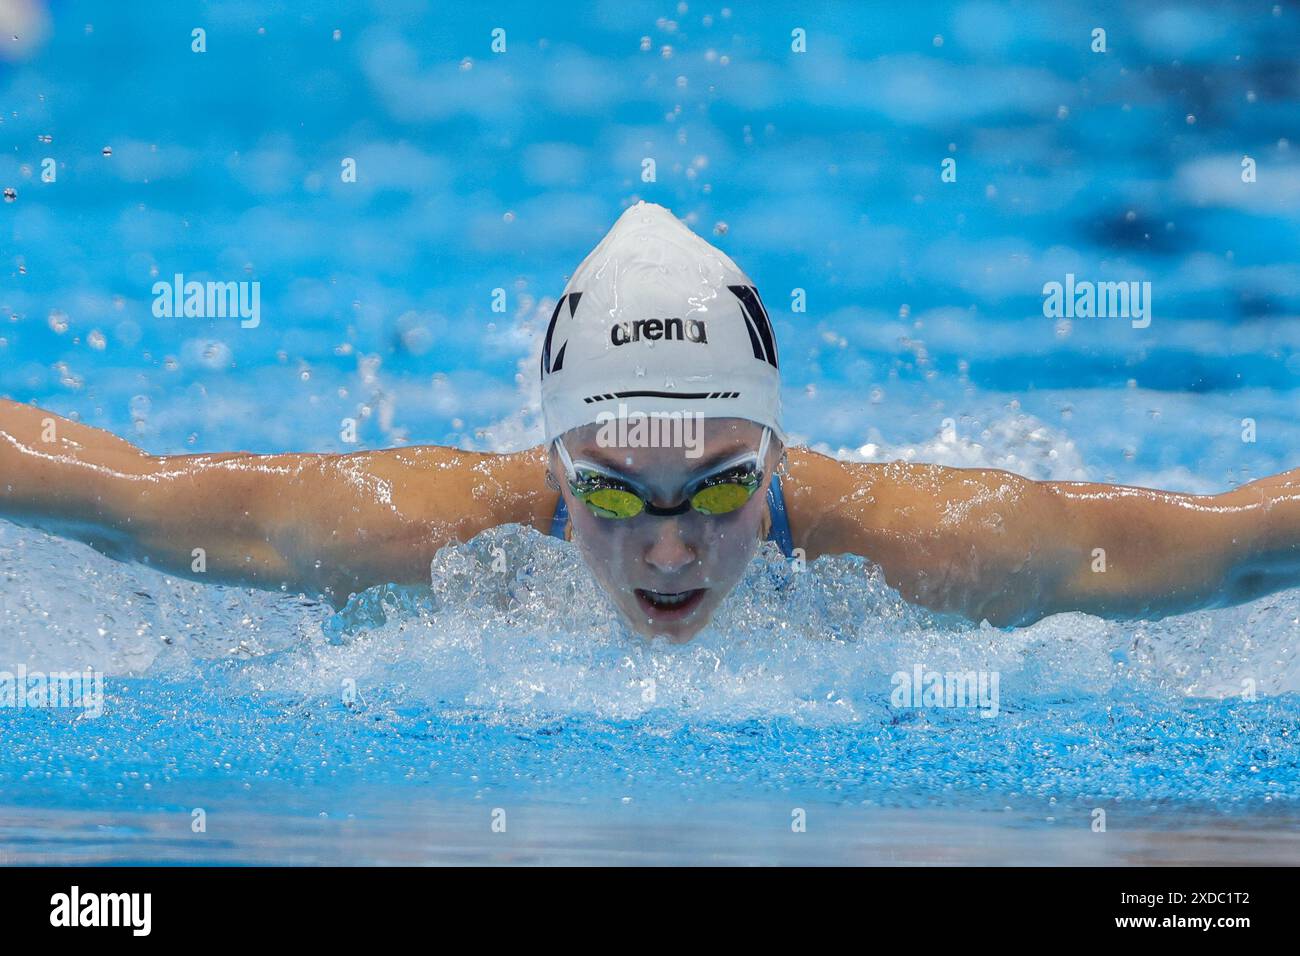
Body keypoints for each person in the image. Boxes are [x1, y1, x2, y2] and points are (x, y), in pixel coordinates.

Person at [1, 202, 1297, 643]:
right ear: (554, 461)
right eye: (614, 495)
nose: (668, 550)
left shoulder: (941, 545)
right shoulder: (411, 533)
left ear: (780, 457)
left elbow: (1239, 543)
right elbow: (126, 499)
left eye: (723, 489)